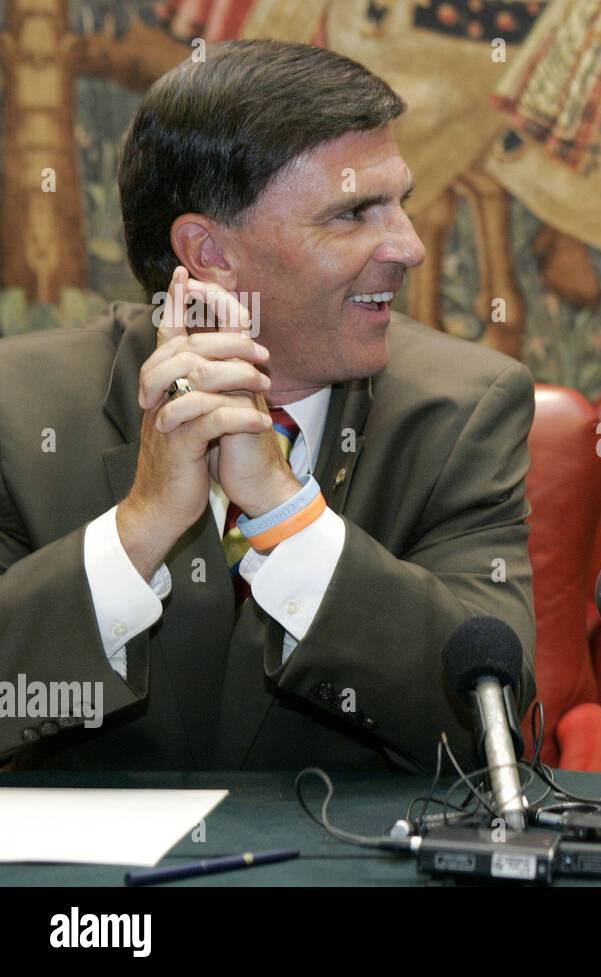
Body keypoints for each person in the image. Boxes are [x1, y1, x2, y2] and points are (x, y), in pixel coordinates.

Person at [0, 41, 536, 771]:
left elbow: (488, 724)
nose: (409, 247)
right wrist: (140, 528)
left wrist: (286, 513)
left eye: (400, 204)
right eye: (354, 213)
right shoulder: (21, 411)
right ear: (209, 253)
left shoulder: (463, 412)